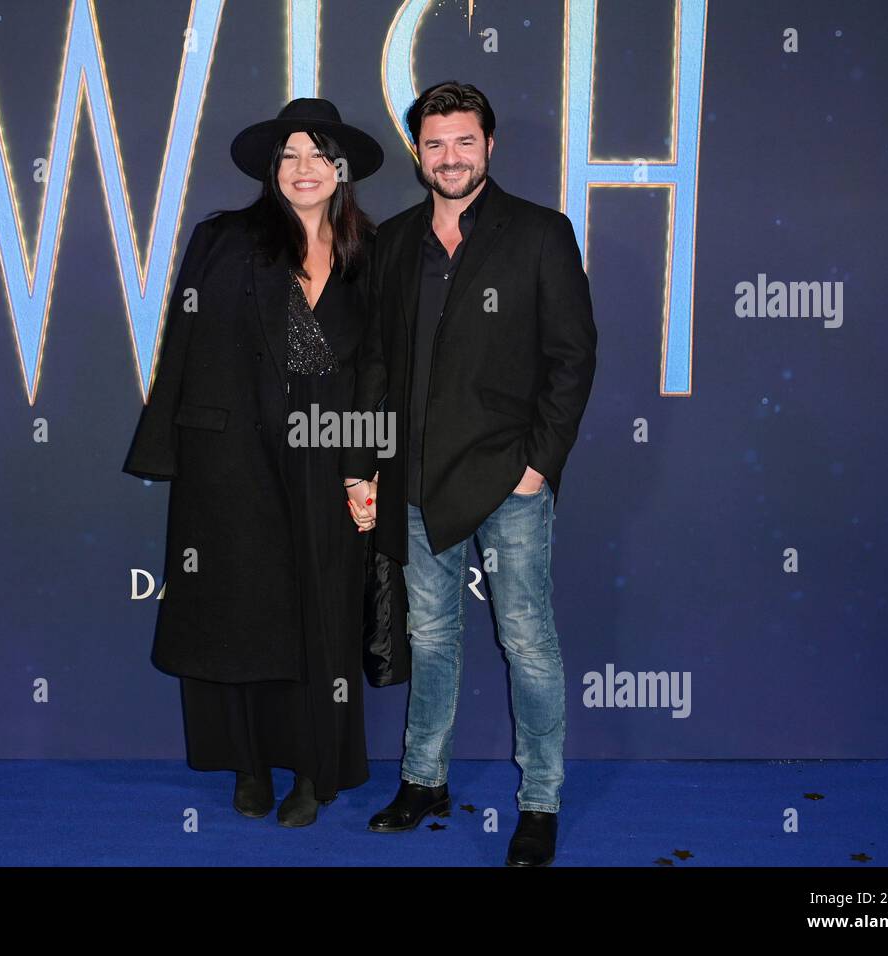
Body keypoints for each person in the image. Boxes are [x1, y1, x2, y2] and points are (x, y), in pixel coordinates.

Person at [342, 82, 597, 865]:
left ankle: (542, 801)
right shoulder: (393, 243)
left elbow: (572, 358)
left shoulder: (540, 234)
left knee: (528, 642)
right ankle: (423, 780)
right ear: (417, 151)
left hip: (508, 484)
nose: (449, 156)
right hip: (416, 483)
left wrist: (538, 467)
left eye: (463, 141)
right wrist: (363, 467)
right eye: (434, 143)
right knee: (432, 638)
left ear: (489, 145)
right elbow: (376, 365)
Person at [124, 98, 384, 827]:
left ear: (341, 169)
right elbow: (184, 344)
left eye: (317, 155)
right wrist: (178, 446)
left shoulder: (371, 251)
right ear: (273, 169)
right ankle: (246, 765)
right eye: (289, 156)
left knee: (317, 620)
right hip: (232, 462)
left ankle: (311, 769)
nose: (303, 169)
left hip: (324, 455)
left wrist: (363, 465)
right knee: (235, 620)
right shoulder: (228, 238)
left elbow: (376, 368)